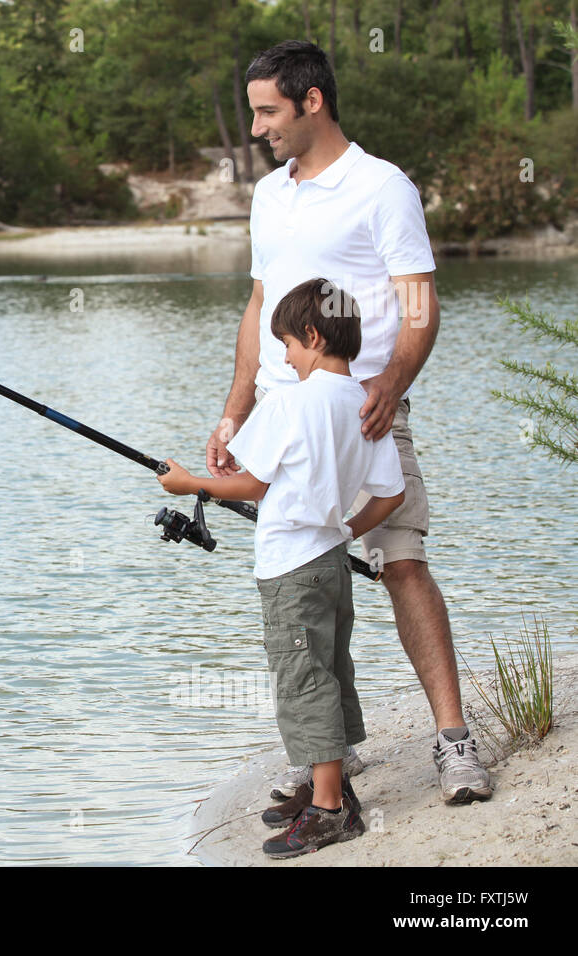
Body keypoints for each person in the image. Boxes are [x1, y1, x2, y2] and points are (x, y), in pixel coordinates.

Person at [205, 40, 492, 804]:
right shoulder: (270, 196)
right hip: (281, 416)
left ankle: (454, 741)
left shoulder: (381, 186)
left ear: (312, 101)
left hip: (364, 413)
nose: (259, 126)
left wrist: (393, 385)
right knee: (302, 576)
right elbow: (261, 309)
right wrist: (236, 412)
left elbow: (420, 302)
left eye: (268, 110)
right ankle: (331, 752)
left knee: (401, 562)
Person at [159, 277, 406, 857]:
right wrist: (346, 530)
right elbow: (389, 495)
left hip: (291, 569)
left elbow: (251, 483)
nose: (287, 359)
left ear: (313, 337)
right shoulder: (366, 404)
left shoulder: (290, 401)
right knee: (331, 667)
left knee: (304, 680)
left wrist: (189, 482)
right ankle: (332, 781)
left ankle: (329, 810)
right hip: (331, 564)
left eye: (289, 347)